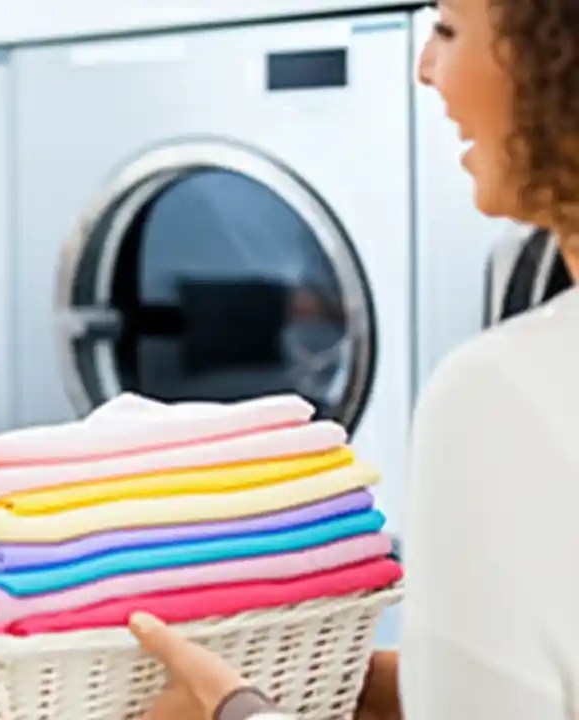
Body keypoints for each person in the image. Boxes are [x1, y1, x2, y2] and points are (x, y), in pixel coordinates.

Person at [124, 0, 579, 717]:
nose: (426, 67)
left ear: (555, 62)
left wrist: (232, 711)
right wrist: (346, 681)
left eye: (450, 30)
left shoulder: (498, 395)